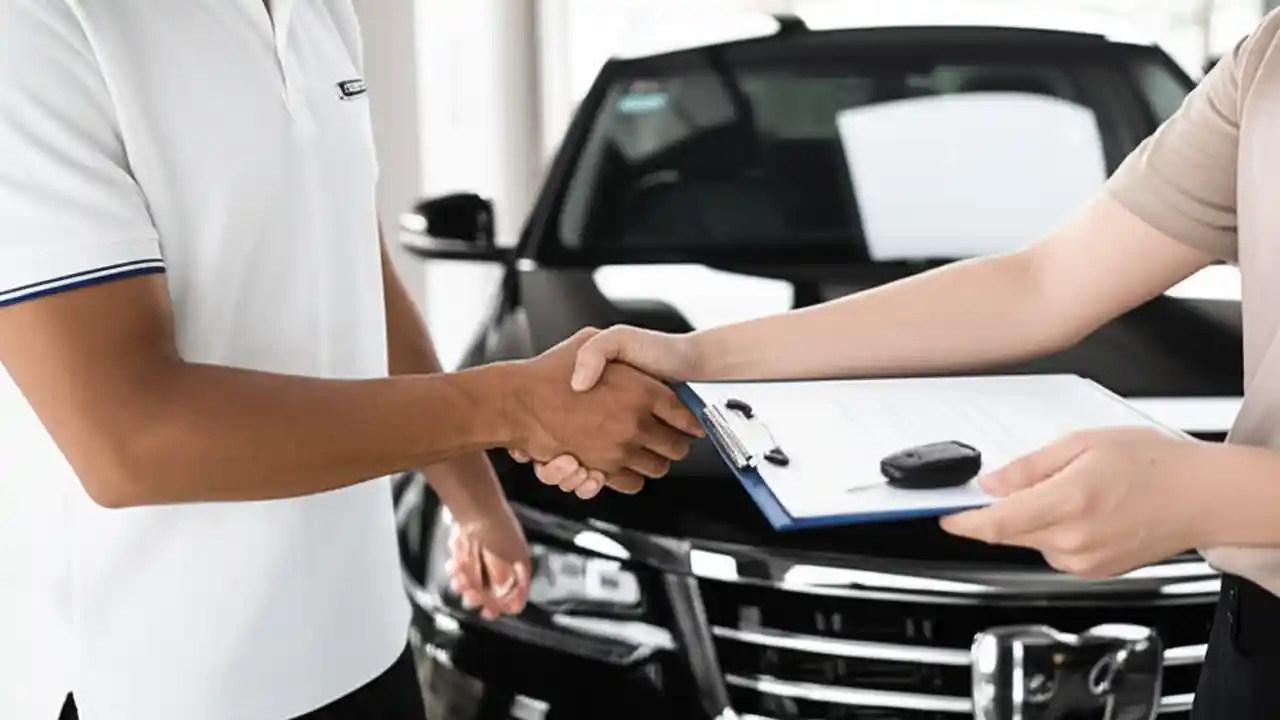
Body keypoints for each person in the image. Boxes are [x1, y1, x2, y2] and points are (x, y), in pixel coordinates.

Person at [524, 10, 1280, 718]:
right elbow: (1043, 284)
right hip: (1254, 633)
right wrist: (699, 356)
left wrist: (1216, 494)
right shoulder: (1265, 63)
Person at [0, 2, 700, 720]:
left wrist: (475, 501)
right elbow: (130, 439)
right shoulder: (34, 25)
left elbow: (356, 270)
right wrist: (517, 405)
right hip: (170, 687)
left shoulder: (323, 9)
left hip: (366, 649)